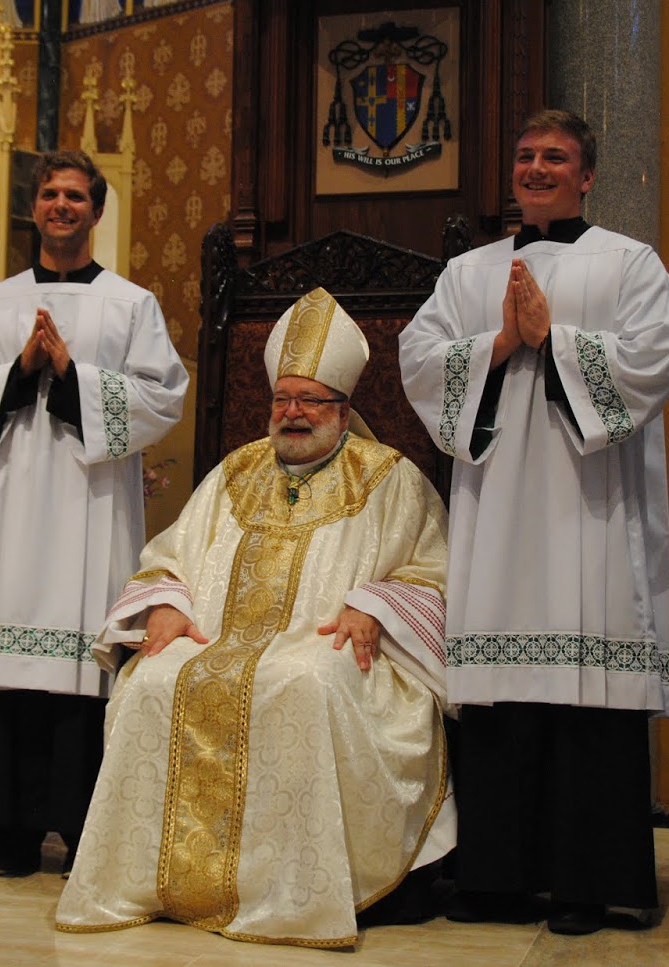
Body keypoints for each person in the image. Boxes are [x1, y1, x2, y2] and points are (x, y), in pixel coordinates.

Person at [56, 288, 453, 948]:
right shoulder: (236, 471)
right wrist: (166, 605)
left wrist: (375, 605)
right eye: (282, 399)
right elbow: (171, 555)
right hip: (216, 641)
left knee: (305, 682)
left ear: (343, 408)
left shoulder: (389, 478)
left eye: (309, 400)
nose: (292, 413)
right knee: (153, 680)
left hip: (330, 646)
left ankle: (299, 890)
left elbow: (431, 572)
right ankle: (150, 884)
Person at [399, 109, 669, 934]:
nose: (535, 168)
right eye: (524, 155)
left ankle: (586, 885)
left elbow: (653, 358)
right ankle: (496, 879)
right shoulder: (470, 271)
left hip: (591, 506)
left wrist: (551, 340)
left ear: (587, 174)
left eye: (554, 157)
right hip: (500, 510)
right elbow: (420, 360)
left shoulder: (629, 262)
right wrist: (497, 344)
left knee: (585, 689)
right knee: (498, 692)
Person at [0, 149, 187, 879]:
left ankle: (79, 832)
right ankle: (8, 834)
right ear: (34, 209)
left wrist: (73, 373)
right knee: (7, 670)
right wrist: (20, 371)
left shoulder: (131, 304)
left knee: (81, 671)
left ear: (97, 211)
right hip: (9, 502)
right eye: (49, 195)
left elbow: (163, 395)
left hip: (90, 504)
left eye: (76, 196)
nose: (61, 206)